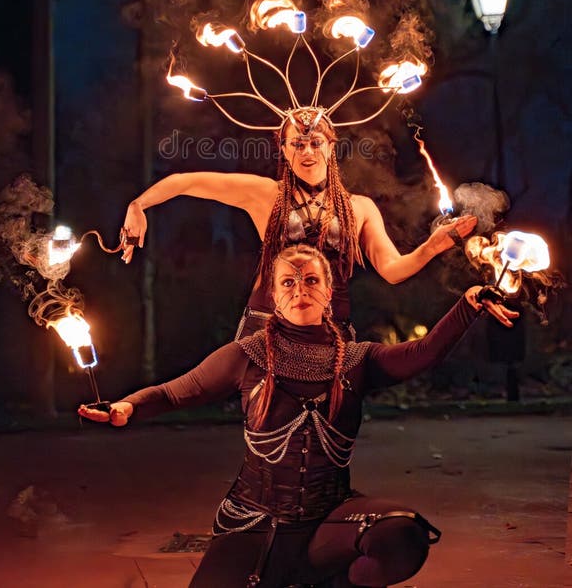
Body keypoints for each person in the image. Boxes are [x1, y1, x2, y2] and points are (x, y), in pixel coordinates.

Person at [79, 244, 515, 587]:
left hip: (329, 520)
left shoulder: (358, 359)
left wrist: (469, 303)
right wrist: (126, 407)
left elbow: (423, 353)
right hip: (253, 520)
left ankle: (334, 581)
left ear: (328, 292)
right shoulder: (246, 355)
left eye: (310, 280)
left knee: (401, 537)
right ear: (273, 296)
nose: (299, 289)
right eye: (287, 282)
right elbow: (175, 392)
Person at [121, 106, 476, 336]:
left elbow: (392, 270)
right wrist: (139, 205)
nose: (307, 151)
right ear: (284, 150)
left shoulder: (360, 207)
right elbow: (186, 182)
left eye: (315, 143)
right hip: (268, 326)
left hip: (331, 330)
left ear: (331, 147)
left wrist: (432, 247)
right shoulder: (266, 194)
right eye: (297, 144)